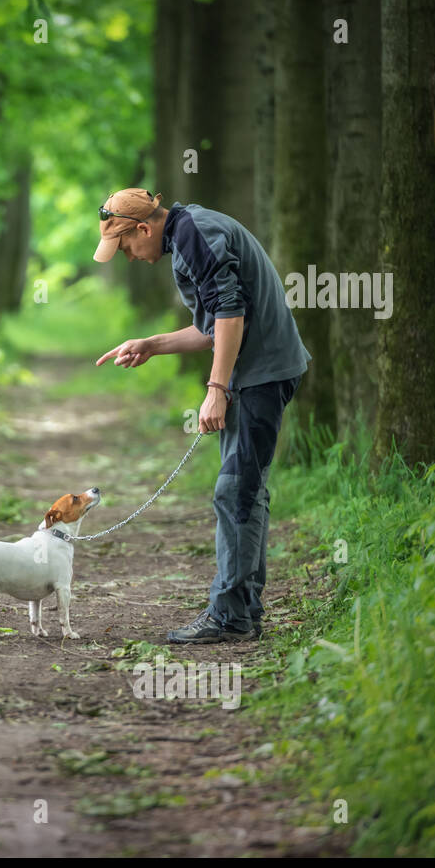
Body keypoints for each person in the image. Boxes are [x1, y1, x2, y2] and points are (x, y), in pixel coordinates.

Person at [92, 188, 309, 643]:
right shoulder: (190, 232)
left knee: (235, 492)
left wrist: (216, 388)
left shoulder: (195, 235)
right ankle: (243, 609)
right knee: (245, 492)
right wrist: (151, 344)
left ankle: (229, 617)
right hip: (257, 373)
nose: (129, 257)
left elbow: (232, 313)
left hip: (260, 376)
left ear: (145, 228)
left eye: (126, 246)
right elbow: (211, 327)